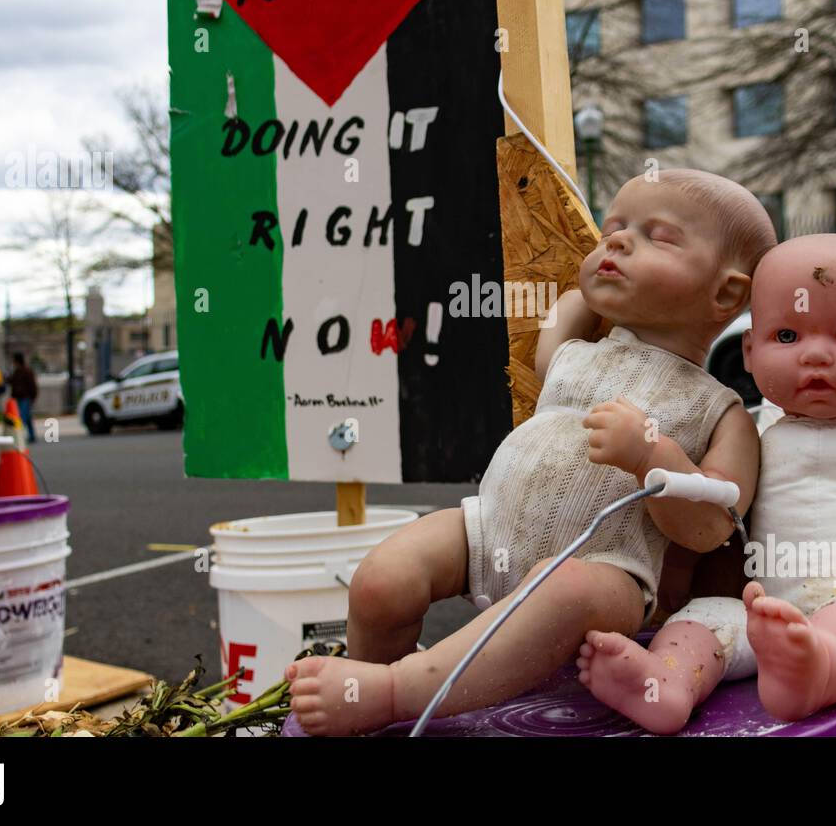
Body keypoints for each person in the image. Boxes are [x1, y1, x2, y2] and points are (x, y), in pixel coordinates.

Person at [286, 169, 775, 735]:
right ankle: (366, 685)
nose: (616, 241)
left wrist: (652, 457)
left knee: (563, 586)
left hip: (603, 574)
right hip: (483, 532)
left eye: (658, 236)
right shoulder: (576, 355)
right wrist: (578, 300)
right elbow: (561, 320)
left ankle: (398, 691)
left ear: (727, 293)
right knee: (383, 576)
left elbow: (713, 524)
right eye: (612, 230)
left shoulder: (722, 411)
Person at [577, 235, 836, 736]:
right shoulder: (753, 438)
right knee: (708, 618)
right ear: (748, 351)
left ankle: (819, 667)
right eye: (786, 337)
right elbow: (717, 505)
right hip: (766, 611)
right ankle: (667, 682)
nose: (815, 356)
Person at [9, 352, 38, 444]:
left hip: (25, 397)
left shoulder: (26, 371)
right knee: (27, 417)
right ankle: (32, 435)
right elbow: (12, 382)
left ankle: (19, 436)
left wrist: (33, 396)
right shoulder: (16, 371)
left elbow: (32, 385)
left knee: (22, 418)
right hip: (19, 397)